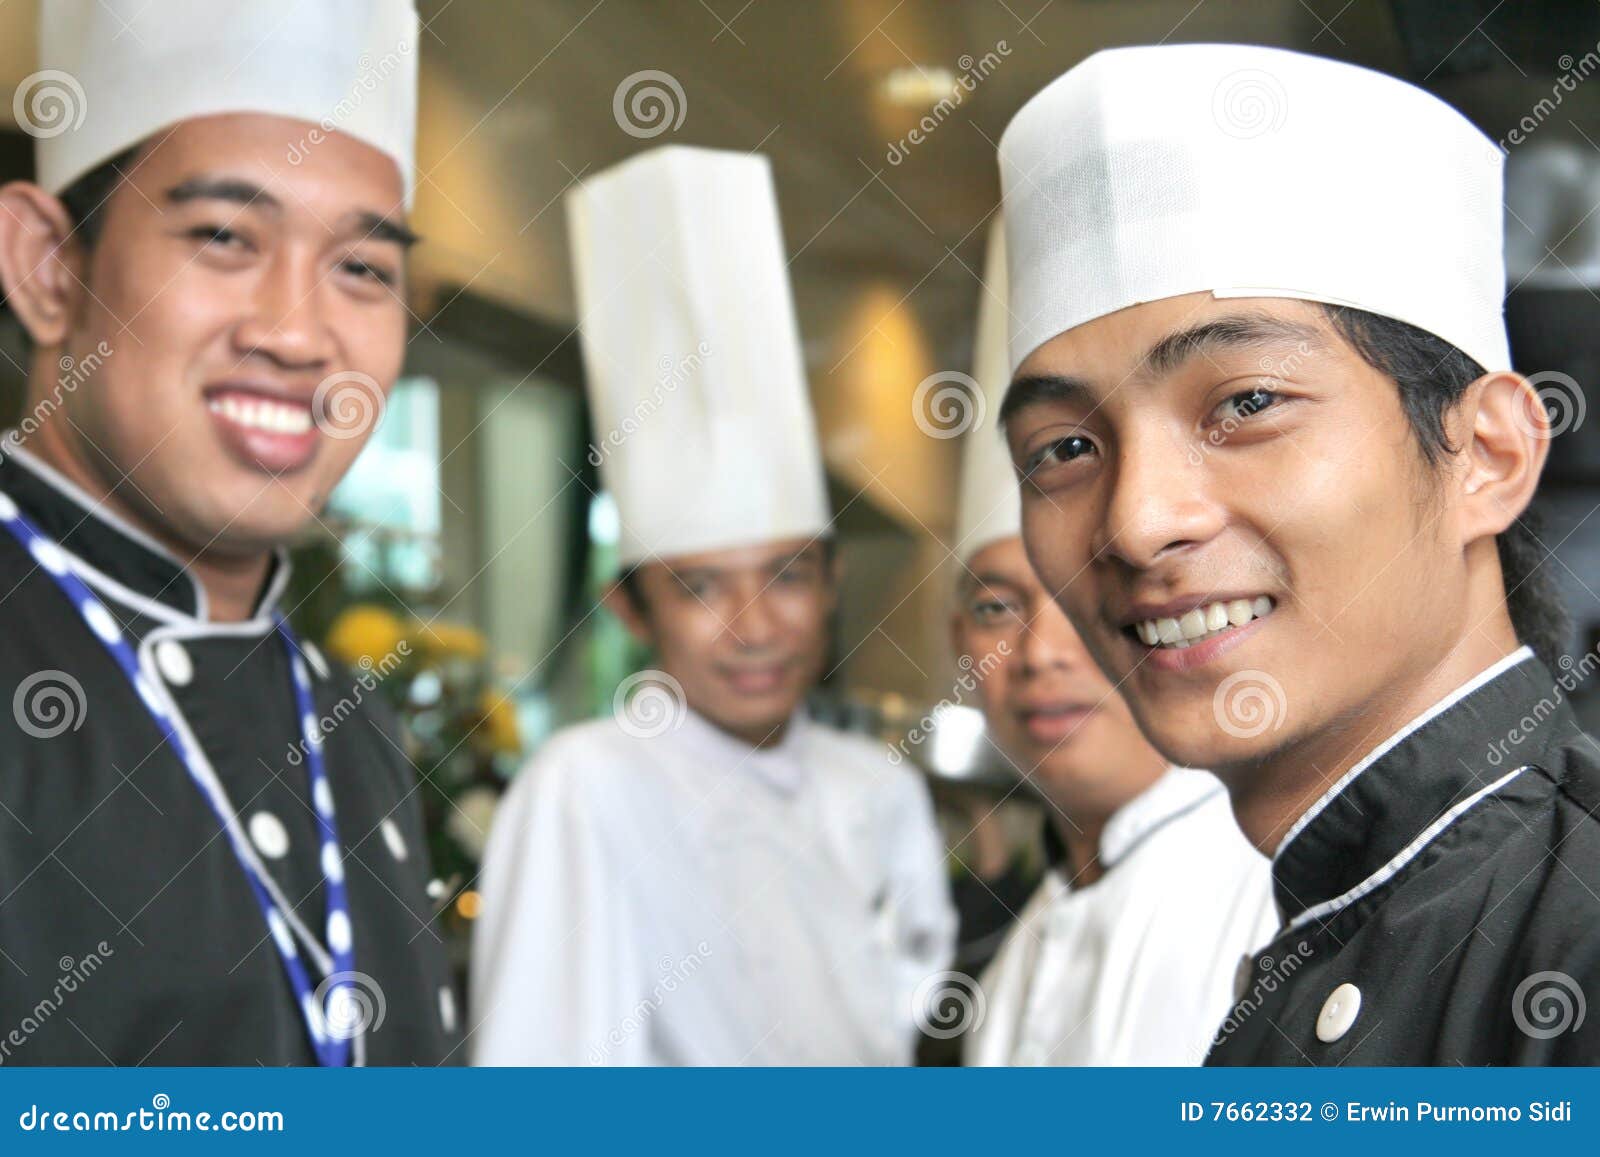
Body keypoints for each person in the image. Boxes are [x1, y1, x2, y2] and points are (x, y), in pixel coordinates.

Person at [997, 43, 1600, 1063]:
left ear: (1487, 454)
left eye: (1245, 402)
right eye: (1065, 449)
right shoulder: (1313, 925)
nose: (1137, 521)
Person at [0, 1, 458, 1064]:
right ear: (46, 265)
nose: (297, 332)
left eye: (362, 268)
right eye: (222, 235)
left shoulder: (352, 719)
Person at [471, 146, 956, 1066]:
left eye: (785, 575)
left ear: (832, 581)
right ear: (629, 607)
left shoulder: (879, 790)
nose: (755, 624)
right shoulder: (587, 786)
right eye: (699, 587)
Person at [952, 227, 1274, 1066]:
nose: (1038, 651)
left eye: (1073, 591)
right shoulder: (1011, 957)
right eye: (997, 606)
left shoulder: (1268, 900)